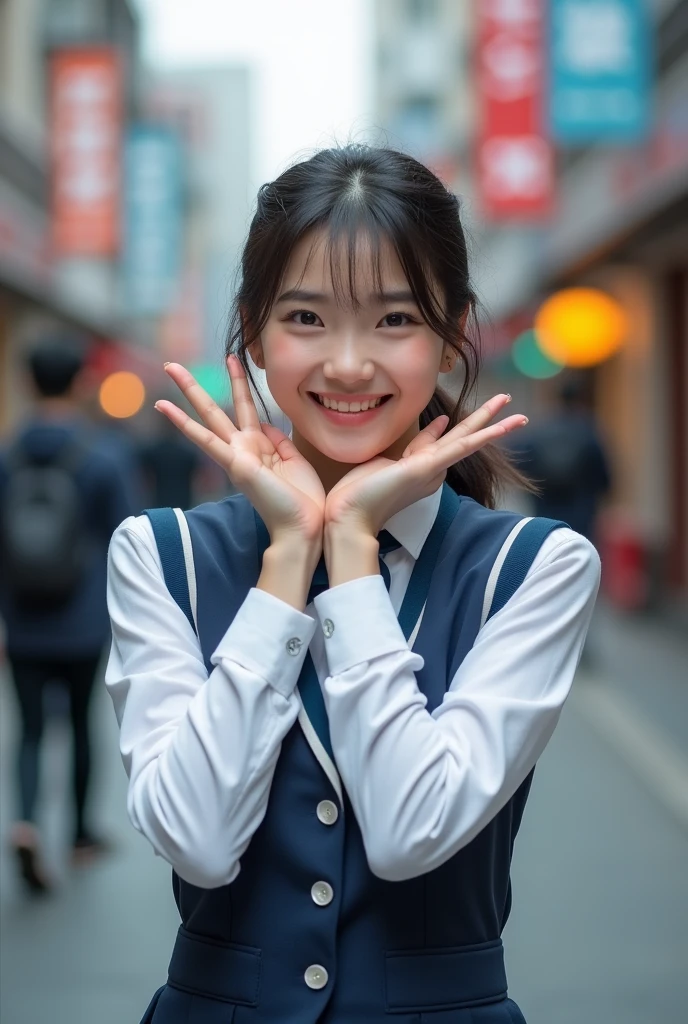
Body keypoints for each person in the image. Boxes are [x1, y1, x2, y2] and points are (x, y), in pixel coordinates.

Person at [106, 146, 601, 1024]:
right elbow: (195, 841)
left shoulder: (538, 570)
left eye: (393, 320)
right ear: (252, 332)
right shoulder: (160, 554)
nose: (346, 363)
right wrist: (291, 556)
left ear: (453, 332)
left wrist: (355, 551)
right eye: (305, 316)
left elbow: (414, 833)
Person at [0, 342, 136, 893]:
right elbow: (128, 538)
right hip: (82, 618)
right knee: (81, 724)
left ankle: (28, 821)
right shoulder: (102, 456)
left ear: (30, 383)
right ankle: (80, 836)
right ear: (79, 382)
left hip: (23, 617)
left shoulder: (7, 457)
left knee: (30, 729)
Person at [510, 376, 612, 542]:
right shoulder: (587, 428)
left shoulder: (542, 427)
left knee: (548, 540)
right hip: (581, 501)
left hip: (545, 499)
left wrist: (530, 487)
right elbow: (601, 468)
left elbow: (521, 458)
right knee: (580, 541)